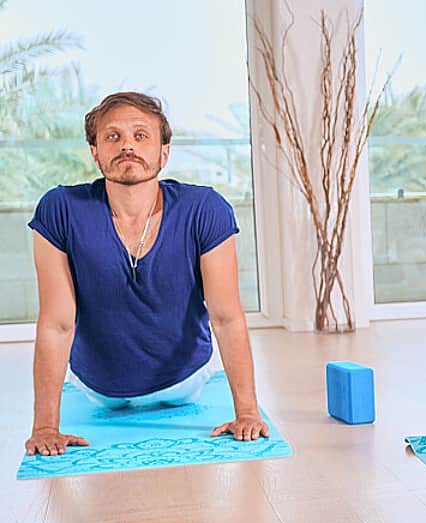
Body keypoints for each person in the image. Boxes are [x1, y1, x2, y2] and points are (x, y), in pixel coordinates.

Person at [24, 91, 269, 457]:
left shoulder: (205, 209)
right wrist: (45, 427)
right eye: (113, 136)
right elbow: (57, 324)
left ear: (163, 151)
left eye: (141, 136)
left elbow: (226, 317)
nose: (127, 146)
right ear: (95, 151)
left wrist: (247, 412)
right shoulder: (59, 210)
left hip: (184, 383)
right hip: (101, 390)